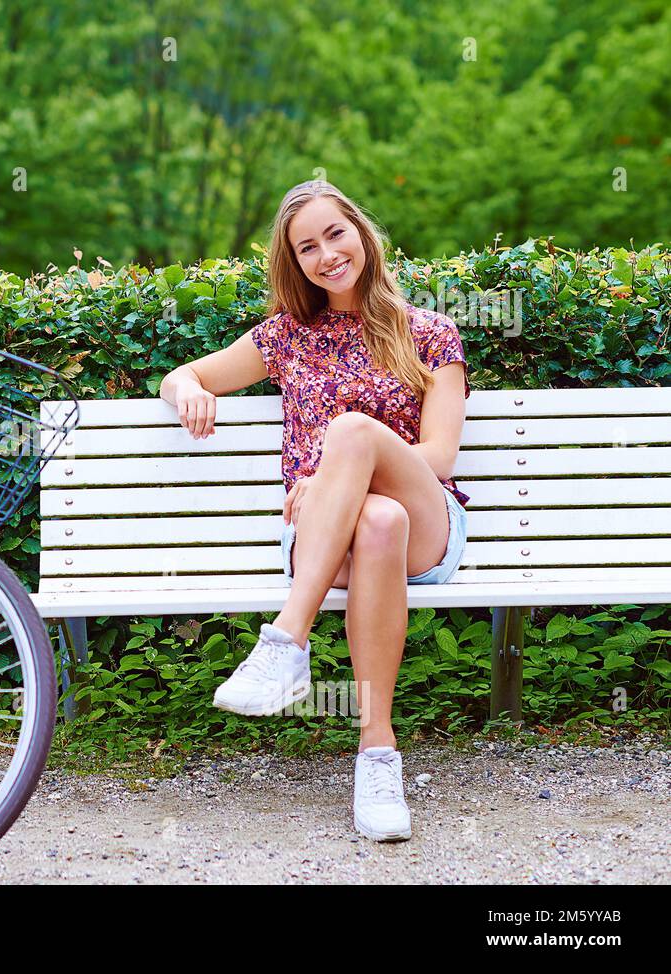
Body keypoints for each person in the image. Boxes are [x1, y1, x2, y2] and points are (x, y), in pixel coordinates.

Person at [157, 180, 472, 842]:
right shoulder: (285, 336)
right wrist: (185, 388)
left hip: (426, 522)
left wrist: (339, 475)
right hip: (328, 540)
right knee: (375, 522)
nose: (327, 254)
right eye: (307, 247)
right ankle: (377, 755)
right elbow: (186, 374)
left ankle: (286, 641)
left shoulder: (432, 333)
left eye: (336, 234)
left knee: (357, 443)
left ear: (361, 234)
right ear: (295, 264)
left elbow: (439, 458)